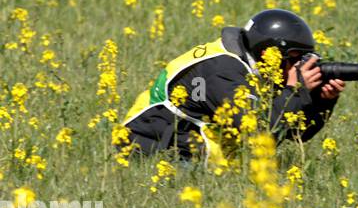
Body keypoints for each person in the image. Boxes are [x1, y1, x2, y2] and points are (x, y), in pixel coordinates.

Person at [119, 9, 345, 165]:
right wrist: (295, 90)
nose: (299, 66)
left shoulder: (252, 66)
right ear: (268, 53)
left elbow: (294, 133)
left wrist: (321, 101)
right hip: (149, 153)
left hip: (191, 153)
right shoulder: (222, 70)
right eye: (295, 58)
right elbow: (260, 135)